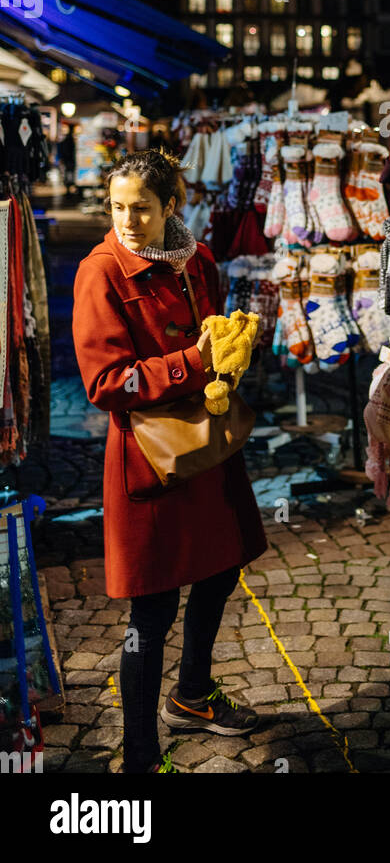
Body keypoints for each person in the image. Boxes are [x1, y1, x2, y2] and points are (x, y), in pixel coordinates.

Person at [72, 149, 266, 774]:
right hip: (151, 462)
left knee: (220, 569)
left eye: (142, 209)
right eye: (117, 208)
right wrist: (193, 364)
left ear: (170, 208)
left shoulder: (198, 259)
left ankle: (193, 694)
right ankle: (139, 758)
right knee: (151, 610)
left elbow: (210, 333)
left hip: (205, 447)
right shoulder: (100, 273)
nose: (127, 221)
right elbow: (104, 383)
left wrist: (232, 349)